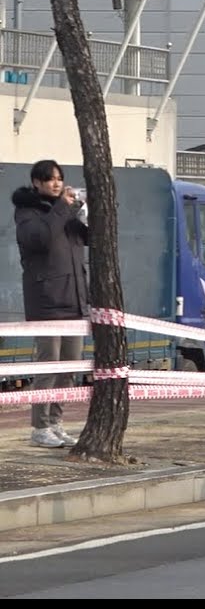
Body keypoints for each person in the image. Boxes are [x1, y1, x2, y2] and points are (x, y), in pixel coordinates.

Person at [12, 159, 88, 449]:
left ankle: (56, 423)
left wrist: (83, 210)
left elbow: (91, 238)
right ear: (36, 182)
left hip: (74, 300)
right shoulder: (27, 211)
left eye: (59, 178)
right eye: (49, 179)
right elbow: (40, 239)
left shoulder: (65, 212)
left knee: (69, 368)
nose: (56, 184)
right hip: (46, 300)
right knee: (49, 366)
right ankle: (39, 427)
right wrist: (62, 208)